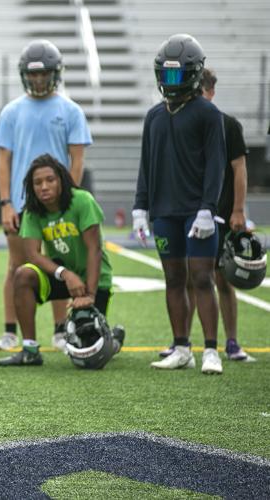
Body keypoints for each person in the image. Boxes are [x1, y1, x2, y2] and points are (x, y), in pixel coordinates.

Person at [0, 39, 92, 353]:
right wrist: (6, 203)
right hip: (22, 205)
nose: (37, 80)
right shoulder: (11, 111)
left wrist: (68, 202)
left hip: (57, 206)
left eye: (43, 74)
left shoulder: (71, 110)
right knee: (16, 266)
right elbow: (4, 162)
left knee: (57, 264)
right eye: (32, 75)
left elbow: (77, 160)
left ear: (55, 73)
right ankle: (11, 332)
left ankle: (60, 331)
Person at [133, 34, 225, 374]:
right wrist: (140, 208)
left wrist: (208, 208)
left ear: (194, 73)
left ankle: (212, 350)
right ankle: (182, 346)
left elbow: (216, 166)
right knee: (173, 278)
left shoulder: (208, 114)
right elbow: (146, 165)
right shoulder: (154, 117)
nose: (170, 82)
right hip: (164, 212)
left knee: (202, 278)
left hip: (196, 211)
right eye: (166, 74)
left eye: (177, 74)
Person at [158, 68, 255, 362]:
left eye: (202, 91)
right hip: (188, 210)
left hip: (220, 213)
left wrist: (238, 210)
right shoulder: (177, 122)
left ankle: (232, 342)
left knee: (221, 279)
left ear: (210, 92)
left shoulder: (226, 124)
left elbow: (239, 168)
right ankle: (182, 343)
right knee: (188, 277)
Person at [0, 154, 123, 366]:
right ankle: (30, 350)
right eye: (37, 183)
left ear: (61, 180)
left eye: (50, 180)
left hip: (93, 278)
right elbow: (33, 254)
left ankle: (114, 341)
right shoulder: (33, 211)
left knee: (90, 355)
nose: (44, 187)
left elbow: (95, 249)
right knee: (23, 274)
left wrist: (90, 294)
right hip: (63, 276)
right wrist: (65, 274)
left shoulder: (82, 200)